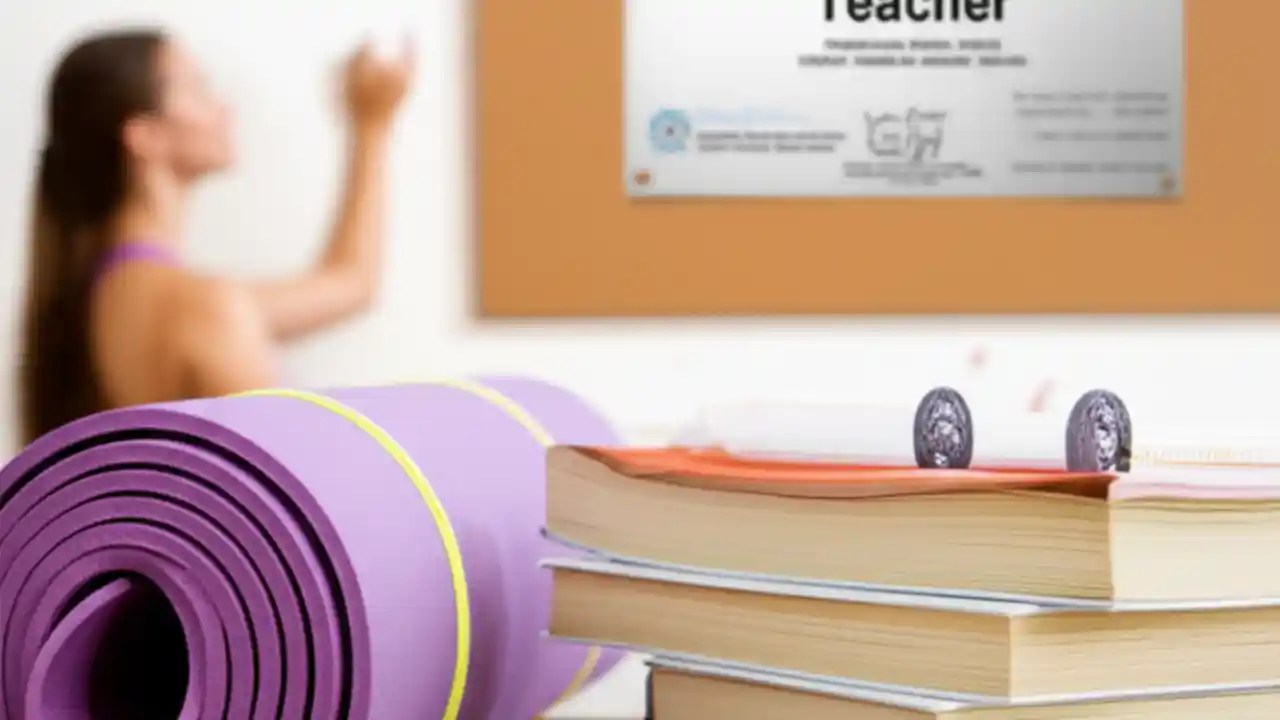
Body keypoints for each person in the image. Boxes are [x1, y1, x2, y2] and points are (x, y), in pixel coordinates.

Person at [18, 29, 415, 444]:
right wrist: (372, 126)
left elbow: (351, 283)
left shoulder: (113, 293)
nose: (223, 108)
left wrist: (371, 125)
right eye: (197, 88)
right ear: (144, 136)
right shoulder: (202, 307)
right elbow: (283, 476)